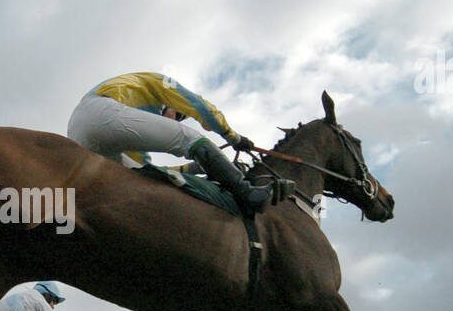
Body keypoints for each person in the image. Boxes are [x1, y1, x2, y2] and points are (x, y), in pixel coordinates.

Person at [66, 71, 291, 215]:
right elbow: (200, 106)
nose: (175, 120)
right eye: (178, 114)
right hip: (99, 112)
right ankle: (248, 193)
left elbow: (148, 168)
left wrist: (194, 169)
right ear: (170, 103)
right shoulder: (158, 82)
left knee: (142, 177)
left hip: (80, 135)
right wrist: (233, 137)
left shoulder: (131, 123)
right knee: (190, 137)